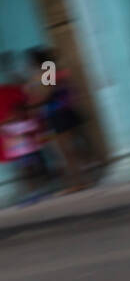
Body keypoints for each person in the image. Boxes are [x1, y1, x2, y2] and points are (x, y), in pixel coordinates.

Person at [24, 47, 87, 192]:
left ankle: (79, 182)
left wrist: (34, 102)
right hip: (57, 113)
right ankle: (78, 181)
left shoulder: (48, 71)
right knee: (67, 150)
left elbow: (47, 93)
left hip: (59, 113)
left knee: (66, 150)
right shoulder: (48, 71)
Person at [1, 100, 51, 204]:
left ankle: (38, 190)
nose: (18, 115)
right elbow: (4, 131)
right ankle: (32, 192)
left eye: (20, 112)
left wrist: (21, 134)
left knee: (35, 171)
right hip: (21, 154)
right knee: (27, 173)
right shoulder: (10, 125)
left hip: (31, 151)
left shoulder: (29, 122)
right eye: (16, 113)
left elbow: (34, 131)